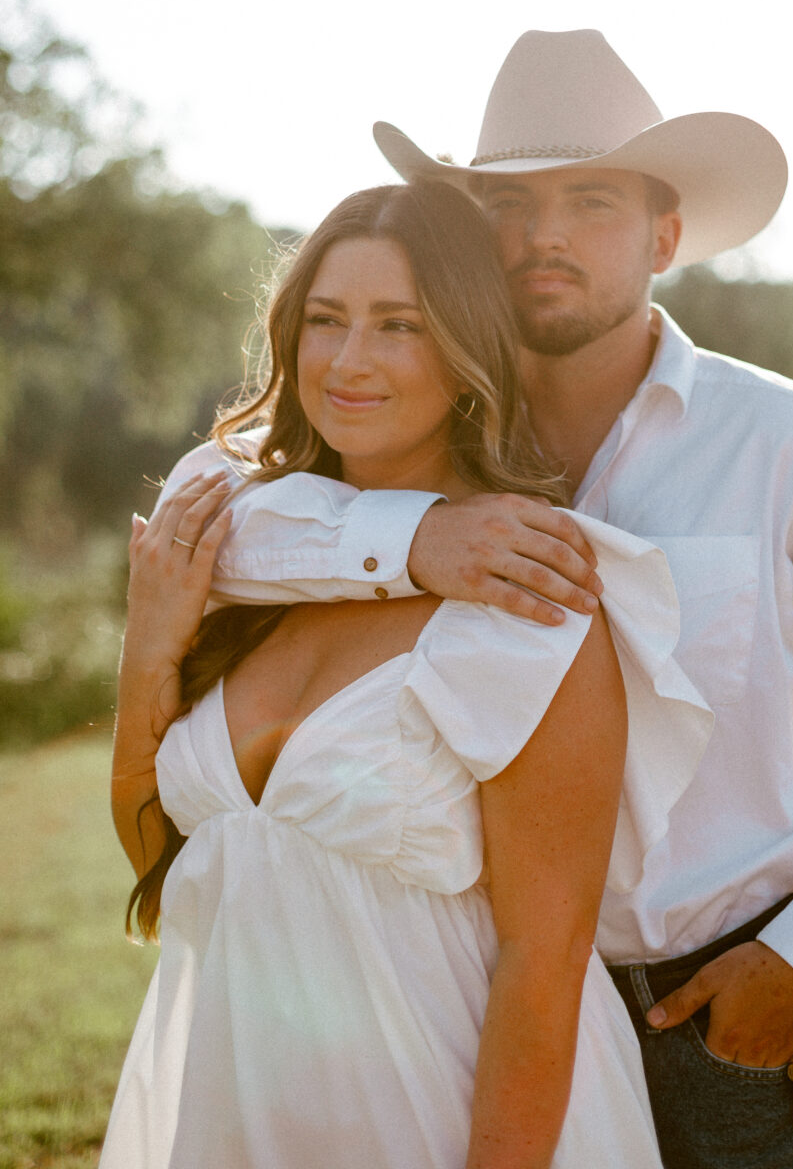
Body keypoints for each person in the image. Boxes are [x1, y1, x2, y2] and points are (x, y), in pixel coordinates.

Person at [182, 30, 793, 1169]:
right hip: (468, 1018)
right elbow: (217, 525)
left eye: (591, 202)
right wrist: (417, 538)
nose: (544, 237)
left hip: (722, 1019)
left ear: (663, 236)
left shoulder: (792, 445)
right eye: (508, 205)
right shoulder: (420, 434)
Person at [101, 179, 716, 1169]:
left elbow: (542, 964)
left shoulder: (530, 604)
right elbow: (168, 865)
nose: (348, 362)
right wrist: (151, 650)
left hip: (442, 1116)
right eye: (326, 321)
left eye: (400, 327)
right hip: (238, 1106)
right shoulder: (236, 563)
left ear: (468, 354)